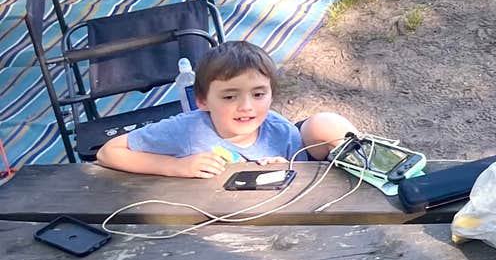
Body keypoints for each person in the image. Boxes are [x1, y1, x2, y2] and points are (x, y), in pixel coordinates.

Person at [94, 40, 355, 180]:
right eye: (230, 96)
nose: (246, 106)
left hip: (276, 226)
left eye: (259, 94)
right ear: (203, 101)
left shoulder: (280, 131)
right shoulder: (189, 130)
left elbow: (305, 187)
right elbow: (108, 152)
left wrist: (289, 169)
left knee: (327, 125)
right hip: (208, 229)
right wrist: (177, 166)